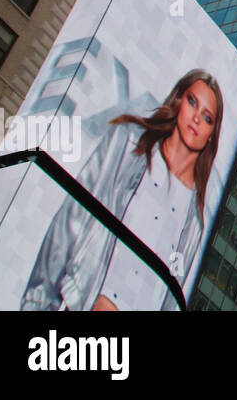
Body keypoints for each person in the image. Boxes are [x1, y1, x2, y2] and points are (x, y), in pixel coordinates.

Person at [21, 70, 223, 311]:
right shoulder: (126, 145)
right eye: (192, 102)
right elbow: (70, 221)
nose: (197, 119)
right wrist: (38, 302)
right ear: (179, 100)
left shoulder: (193, 226)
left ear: (212, 136)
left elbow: (171, 294)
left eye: (208, 117)